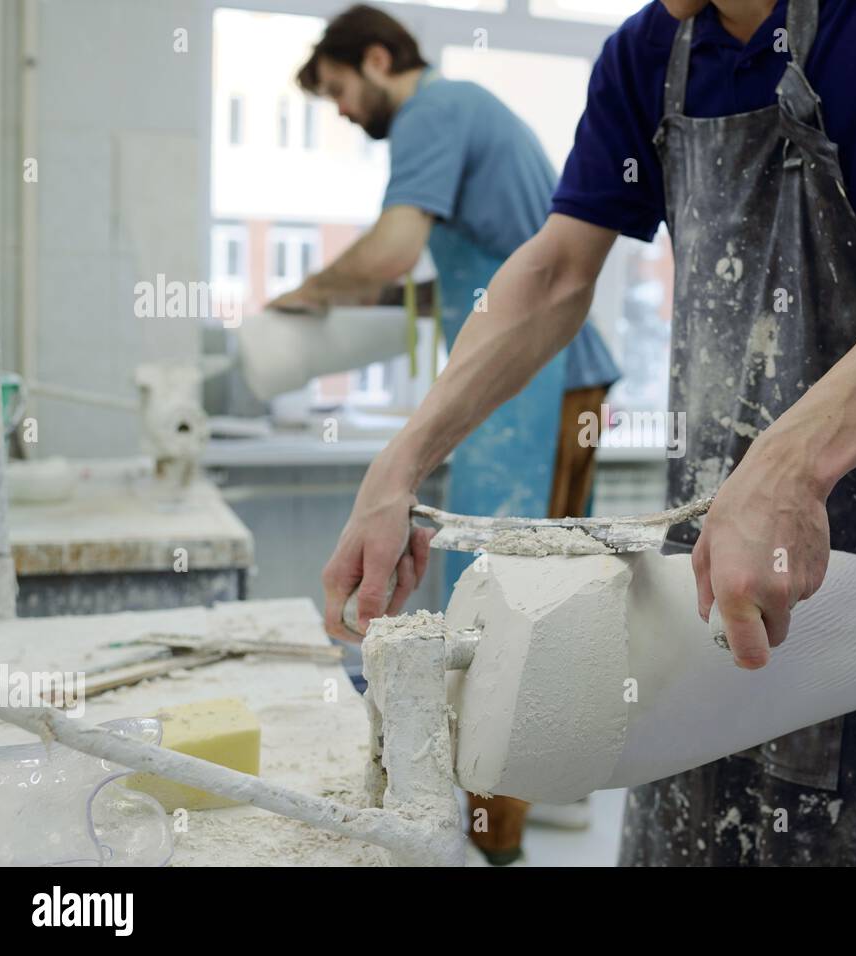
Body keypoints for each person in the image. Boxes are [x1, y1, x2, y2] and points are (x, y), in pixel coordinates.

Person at [323, 0, 856, 865]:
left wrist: (790, 466)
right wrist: (401, 461)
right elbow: (560, 269)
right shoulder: (650, 52)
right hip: (709, 594)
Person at [281, 4, 619, 864]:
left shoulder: (432, 112)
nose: (344, 112)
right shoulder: (465, 112)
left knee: (501, 610)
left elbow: (395, 249)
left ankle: (492, 841)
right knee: (512, 604)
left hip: (542, 381)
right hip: (543, 379)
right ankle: (507, 815)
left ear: (379, 57)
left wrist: (307, 293)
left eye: (338, 90)